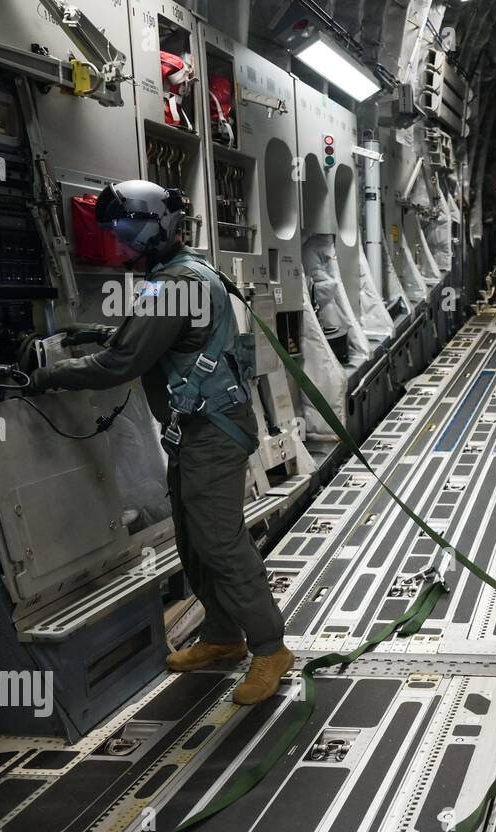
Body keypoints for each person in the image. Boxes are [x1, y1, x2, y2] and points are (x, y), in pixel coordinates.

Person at [23, 180, 293, 704]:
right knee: (195, 540)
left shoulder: (172, 285)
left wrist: (47, 377)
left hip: (212, 432)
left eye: (124, 231)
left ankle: (270, 648)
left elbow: (120, 365)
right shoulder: (178, 277)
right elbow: (145, 339)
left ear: (153, 229)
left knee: (219, 542)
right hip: (201, 430)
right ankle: (221, 637)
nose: (118, 244)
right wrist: (94, 332)